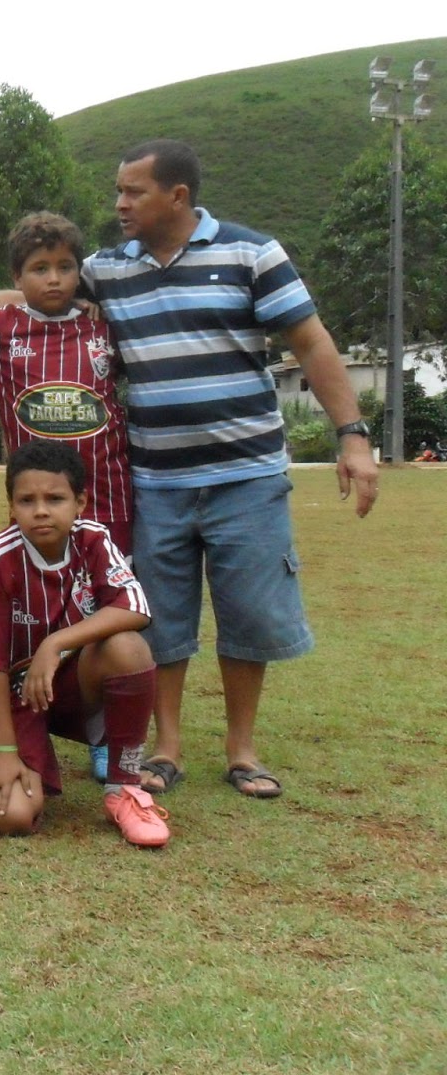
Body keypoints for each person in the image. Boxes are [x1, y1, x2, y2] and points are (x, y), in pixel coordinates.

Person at [81, 140, 380, 798]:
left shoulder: (251, 254)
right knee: (160, 620)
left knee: (249, 615)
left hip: (247, 477)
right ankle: (166, 748)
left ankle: (242, 750)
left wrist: (353, 438)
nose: (120, 204)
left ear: (177, 196)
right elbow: (33, 291)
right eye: (118, 190)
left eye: (133, 191)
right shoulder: (106, 269)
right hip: (156, 483)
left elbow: (311, 342)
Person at [0, 441, 168, 847]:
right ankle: (24, 751)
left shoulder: (94, 539)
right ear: (11, 507)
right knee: (12, 817)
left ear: (80, 502)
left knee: (128, 647)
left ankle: (124, 789)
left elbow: (135, 608)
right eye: (27, 500)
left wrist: (55, 644)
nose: (41, 510)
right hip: (14, 696)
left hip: (71, 684)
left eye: (55, 499)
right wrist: (4, 748)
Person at [0, 212, 134, 553]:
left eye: (65, 267)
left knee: (112, 587)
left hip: (109, 506)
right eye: (40, 269)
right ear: (17, 277)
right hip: (34, 512)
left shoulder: (105, 325)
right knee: (38, 586)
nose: (54, 279)